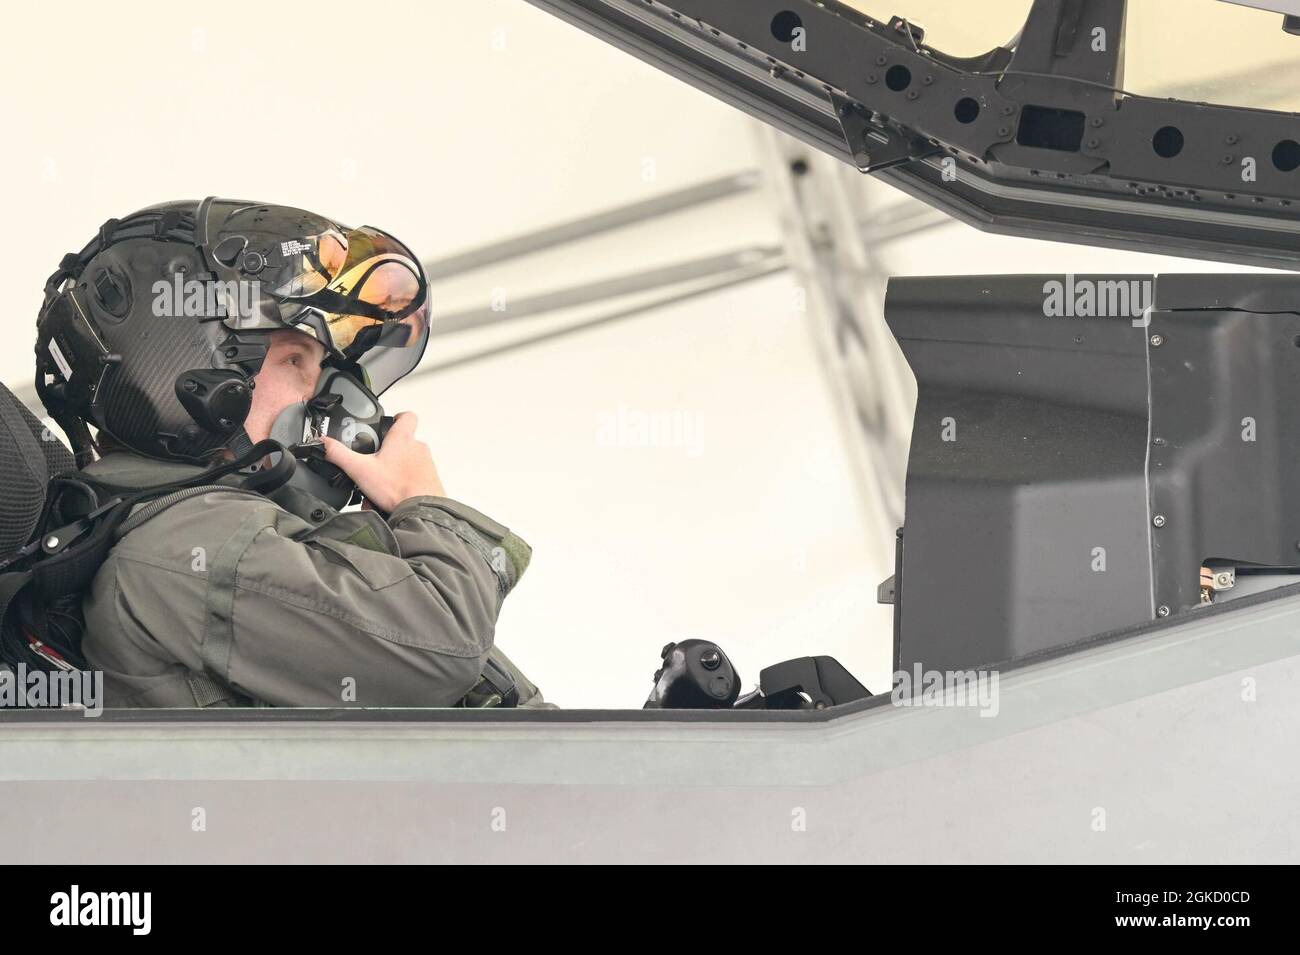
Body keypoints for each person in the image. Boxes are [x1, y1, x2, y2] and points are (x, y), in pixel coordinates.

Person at [33, 198, 550, 708]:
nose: (323, 395)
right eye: (297, 360)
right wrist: (428, 508)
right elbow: (441, 648)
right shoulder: (178, 544)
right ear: (193, 369)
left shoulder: (223, 535)